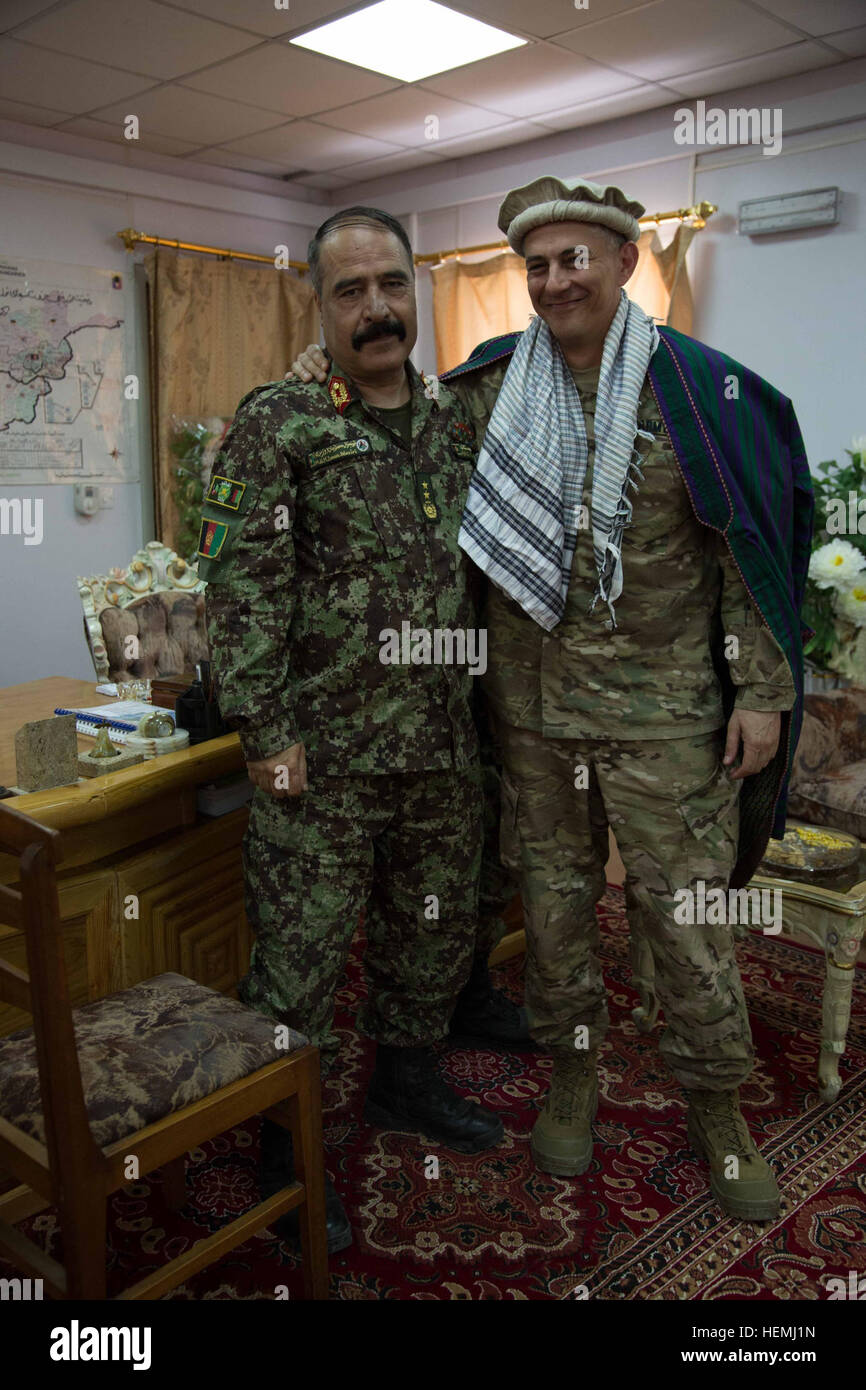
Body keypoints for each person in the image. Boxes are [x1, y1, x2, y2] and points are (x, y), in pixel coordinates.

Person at [286, 179, 813, 1222]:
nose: (556, 279)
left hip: (668, 714)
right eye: (537, 265)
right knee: (558, 911)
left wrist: (759, 689)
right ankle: (572, 1072)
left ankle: (717, 1108)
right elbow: (384, 413)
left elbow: (743, 555)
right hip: (530, 714)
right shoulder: (486, 391)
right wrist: (321, 371)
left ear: (624, 265)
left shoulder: (700, 393)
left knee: (687, 918)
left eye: (576, 259)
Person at [197, 206, 512, 1255]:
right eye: (349, 290)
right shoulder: (277, 419)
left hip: (437, 748)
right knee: (300, 968)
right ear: (317, 302)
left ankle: (403, 1088)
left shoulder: (450, 419)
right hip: (320, 762)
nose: (375, 308)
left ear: (411, 288)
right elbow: (239, 590)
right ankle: (284, 1152)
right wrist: (266, 731)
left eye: (390, 284)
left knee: (428, 942)